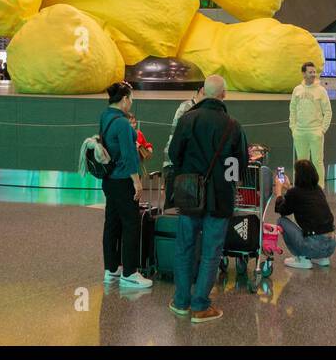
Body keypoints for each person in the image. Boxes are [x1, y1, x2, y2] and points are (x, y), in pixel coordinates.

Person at [167, 74, 249, 323]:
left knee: (184, 248)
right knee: (212, 251)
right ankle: (201, 306)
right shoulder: (232, 125)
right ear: (223, 95)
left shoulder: (187, 119)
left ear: (203, 92)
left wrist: (189, 173)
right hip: (220, 198)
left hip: (189, 194)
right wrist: (225, 179)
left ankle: (181, 301)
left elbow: (174, 154)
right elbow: (238, 166)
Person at [97, 81, 151, 290]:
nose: (131, 103)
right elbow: (129, 156)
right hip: (123, 181)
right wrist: (137, 182)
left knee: (112, 223)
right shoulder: (121, 123)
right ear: (125, 99)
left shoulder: (105, 117)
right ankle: (129, 272)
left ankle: (111, 269)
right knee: (130, 224)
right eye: (131, 99)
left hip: (109, 180)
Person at [273, 158, 336, 269]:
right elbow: (302, 197)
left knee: (281, 221)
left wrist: (278, 191)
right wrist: (288, 187)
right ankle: (322, 258)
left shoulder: (295, 193)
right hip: (331, 246)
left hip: (313, 246)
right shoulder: (318, 189)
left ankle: (302, 258)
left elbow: (282, 210)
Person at [289, 62, 331, 182]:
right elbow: (292, 109)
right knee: (301, 163)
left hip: (315, 131)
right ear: (303, 73)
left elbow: (328, 111)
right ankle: (302, 188)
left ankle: (320, 188)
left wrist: (322, 130)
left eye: (314, 72)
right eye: (310, 72)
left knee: (318, 162)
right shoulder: (297, 90)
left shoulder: (321, 91)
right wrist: (293, 128)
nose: (313, 75)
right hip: (300, 132)